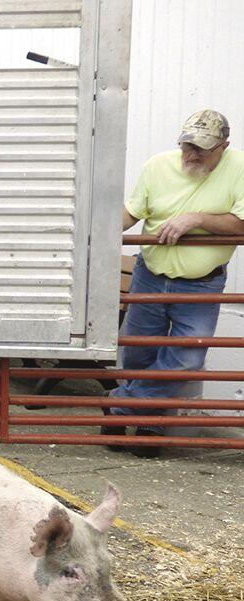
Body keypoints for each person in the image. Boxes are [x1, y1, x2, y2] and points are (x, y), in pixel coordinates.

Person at [107, 109, 244, 458]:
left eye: (201, 148)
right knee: (138, 352)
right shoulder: (157, 166)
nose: (191, 154)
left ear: (224, 147)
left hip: (201, 282)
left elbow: (241, 222)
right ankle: (147, 418)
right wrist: (97, 226)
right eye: (186, 145)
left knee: (185, 359)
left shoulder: (239, 168)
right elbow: (133, 211)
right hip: (151, 274)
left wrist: (195, 219)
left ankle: (120, 406)